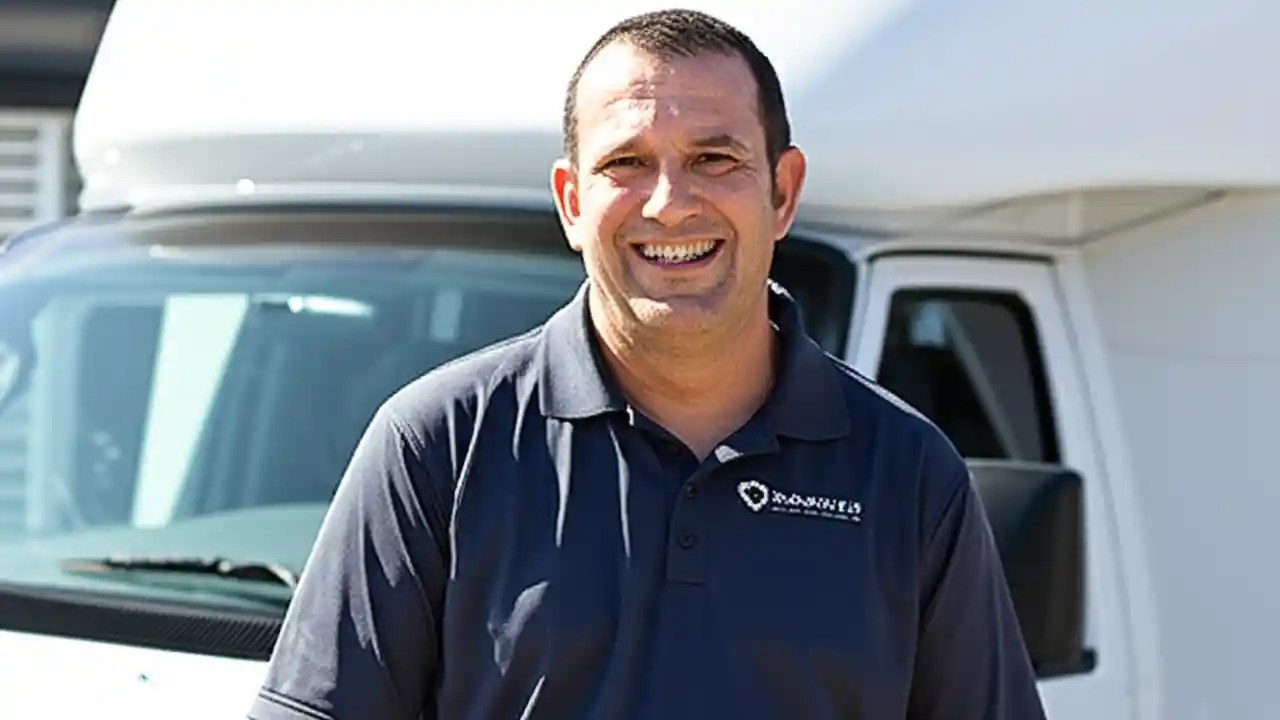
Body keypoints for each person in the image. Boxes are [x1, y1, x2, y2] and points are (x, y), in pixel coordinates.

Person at [249, 9, 1047, 720]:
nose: (669, 202)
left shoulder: (907, 474)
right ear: (571, 201)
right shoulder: (438, 446)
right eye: (625, 163)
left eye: (714, 158)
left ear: (783, 191)